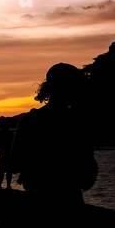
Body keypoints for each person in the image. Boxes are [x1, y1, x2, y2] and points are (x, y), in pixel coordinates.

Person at [11, 63, 97, 207]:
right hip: (70, 199)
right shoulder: (77, 123)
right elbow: (88, 178)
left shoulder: (29, 120)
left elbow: (14, 164)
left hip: (35, 198)